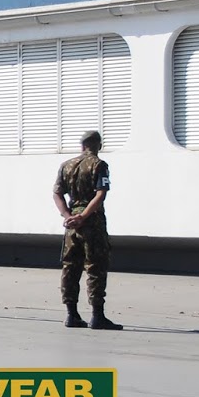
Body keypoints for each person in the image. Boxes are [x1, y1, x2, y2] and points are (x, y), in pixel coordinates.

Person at [53, 131, 121, 331]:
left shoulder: (66, 165)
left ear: (82, 145)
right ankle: (97, 316)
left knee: (70, 267)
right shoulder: (99, 165)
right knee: (95, 267)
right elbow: (101, 194)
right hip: (92, 223)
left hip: (72, 225)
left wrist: (68, 216)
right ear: (98, 145)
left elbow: (57, 193)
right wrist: (84, 216)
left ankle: (71, 314)